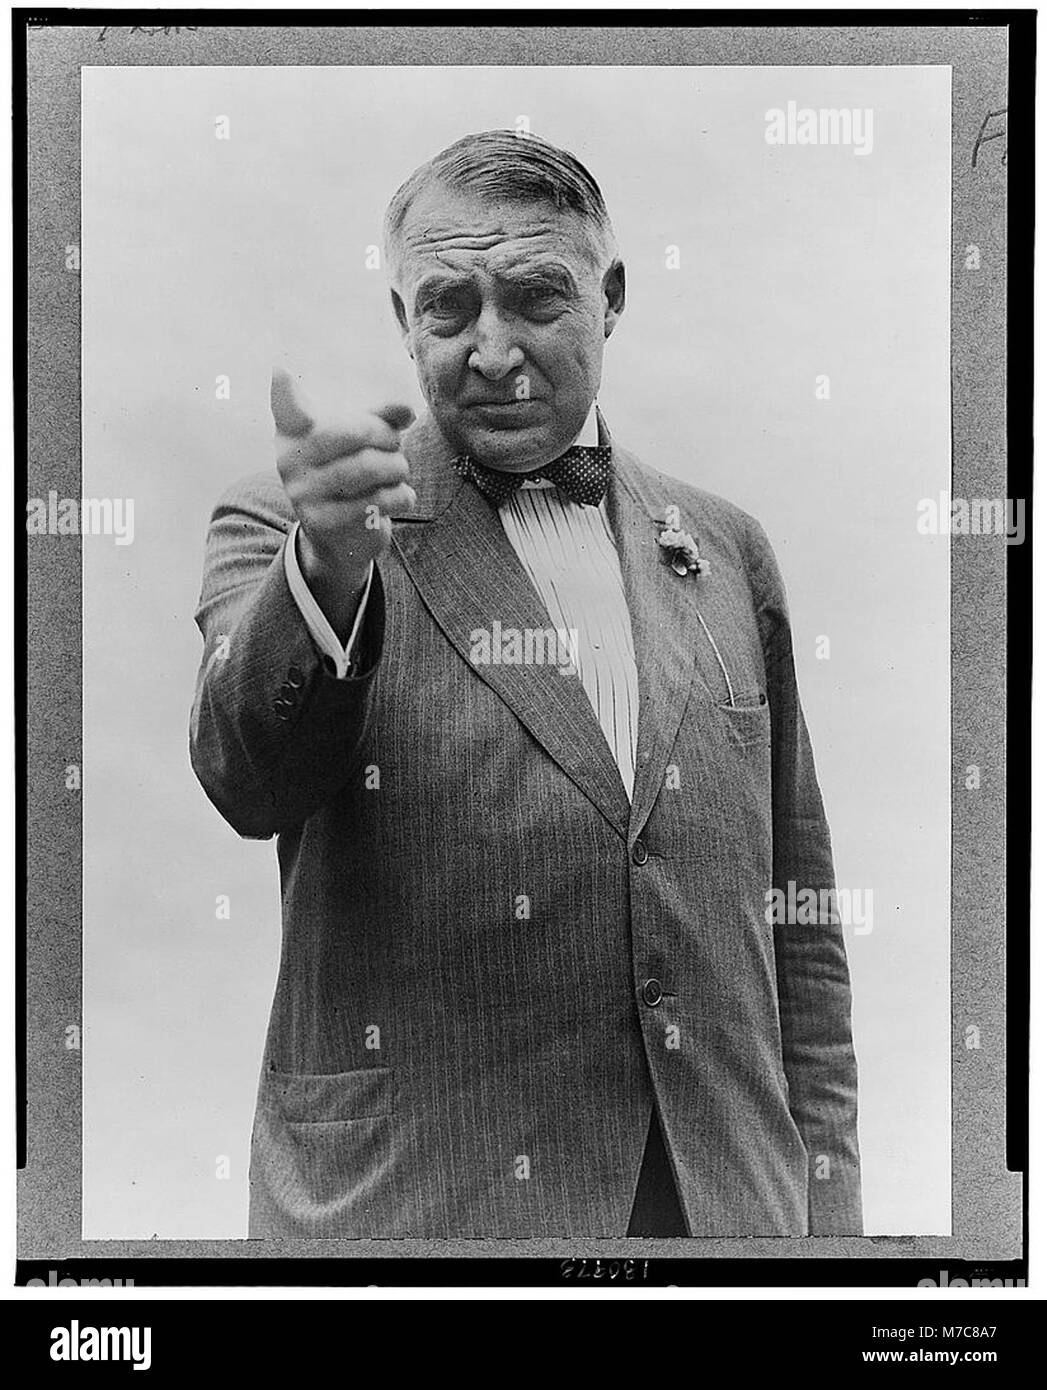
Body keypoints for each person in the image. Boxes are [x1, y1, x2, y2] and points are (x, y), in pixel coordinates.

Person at [190, 130, 862, 1238]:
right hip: (425, 1218)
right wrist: (323, 569)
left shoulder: (729, 548)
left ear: (613, 297)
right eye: (449, 307)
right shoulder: (293, 525)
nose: (493, 350)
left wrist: (832, 1240)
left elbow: (801, 931)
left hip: (718, 1213)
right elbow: (247, 782)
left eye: (537, 297)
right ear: (402, 323)